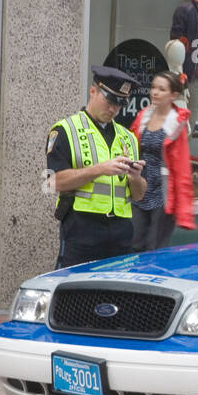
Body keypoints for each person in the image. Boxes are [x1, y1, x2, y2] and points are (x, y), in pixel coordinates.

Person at [47, 66, 147, 269]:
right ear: (93, 92)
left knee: (120, 294)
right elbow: (52, 182)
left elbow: (138, 195)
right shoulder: (66, 130)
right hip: (82, 227)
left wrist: (135, 178)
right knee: (76, 292)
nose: (113, 109)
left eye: (119, 104)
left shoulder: (128, 137)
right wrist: (99, 169)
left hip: (121, 231)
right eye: (109, 101)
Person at [129, 70, 196, 251]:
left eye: (161, 89)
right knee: (134, 245)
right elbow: (129, 148)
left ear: (173, 95)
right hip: (140, 191)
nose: (155, 92)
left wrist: (184, 213)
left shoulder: (176, 124)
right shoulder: (143, 117)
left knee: (155, 248)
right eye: (153, 87)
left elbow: (182, 170)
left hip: (163, 196)